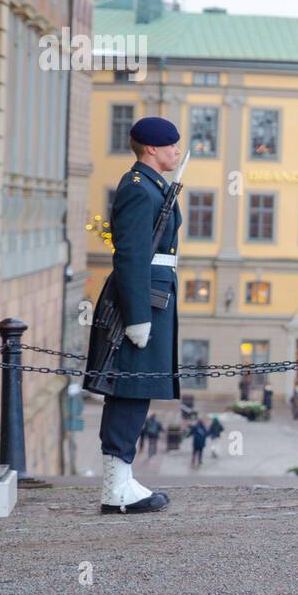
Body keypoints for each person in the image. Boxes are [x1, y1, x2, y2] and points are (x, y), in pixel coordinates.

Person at [83, 116, 183, 515]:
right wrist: (138, 315)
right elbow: (130, 254)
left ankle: (122, 481)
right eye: (172, 145)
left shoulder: (153, 186)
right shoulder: (139, 190)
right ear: (152, 149)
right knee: (128, 389)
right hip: (142, 301)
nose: (177, 151)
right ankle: (116, 487)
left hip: (153, 296)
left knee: (136, 390)